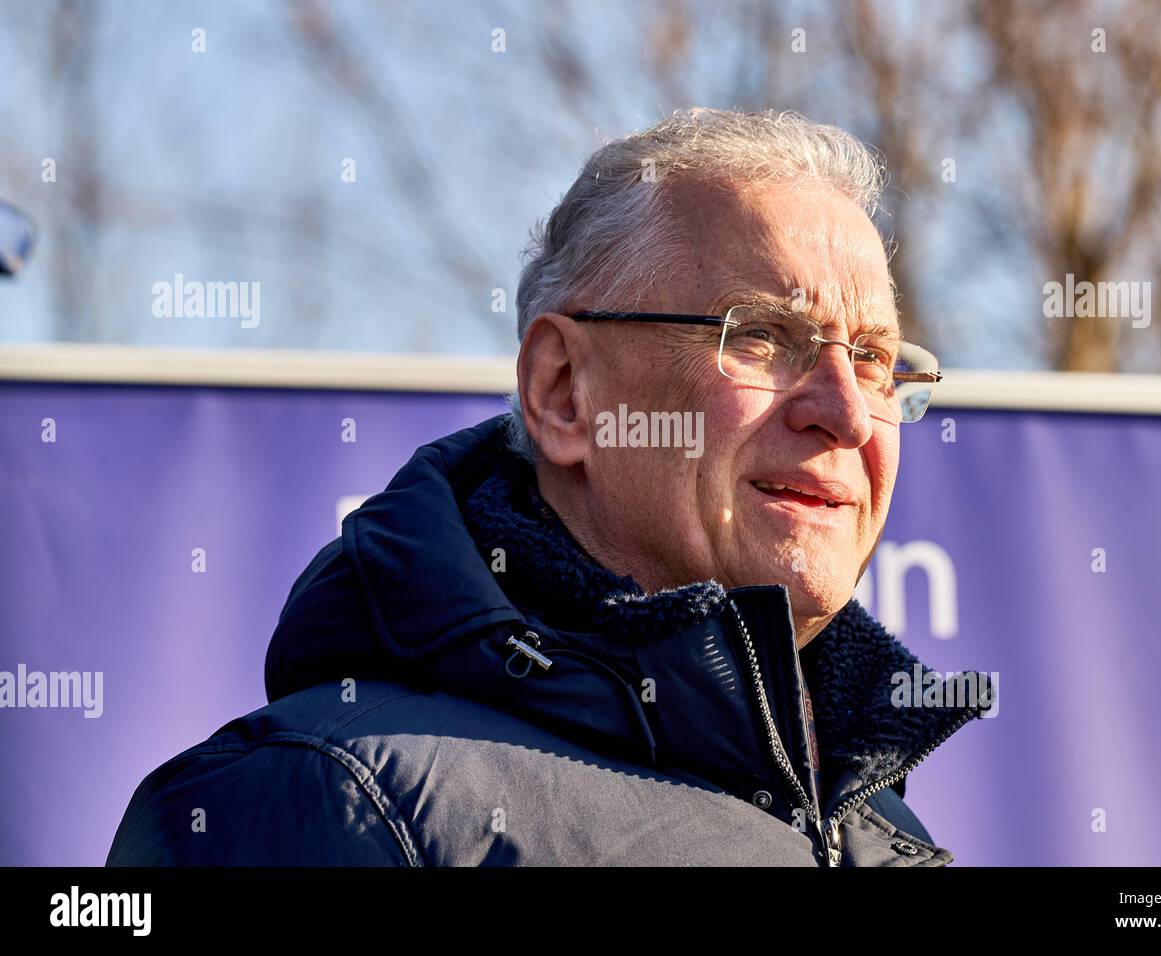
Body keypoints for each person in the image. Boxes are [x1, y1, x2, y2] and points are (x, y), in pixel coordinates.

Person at [106, 107, 996, 867]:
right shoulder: (320, 806)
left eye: (876, 360)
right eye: (762, 336)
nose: (845, 410)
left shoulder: (884, 830)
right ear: (564, 393)